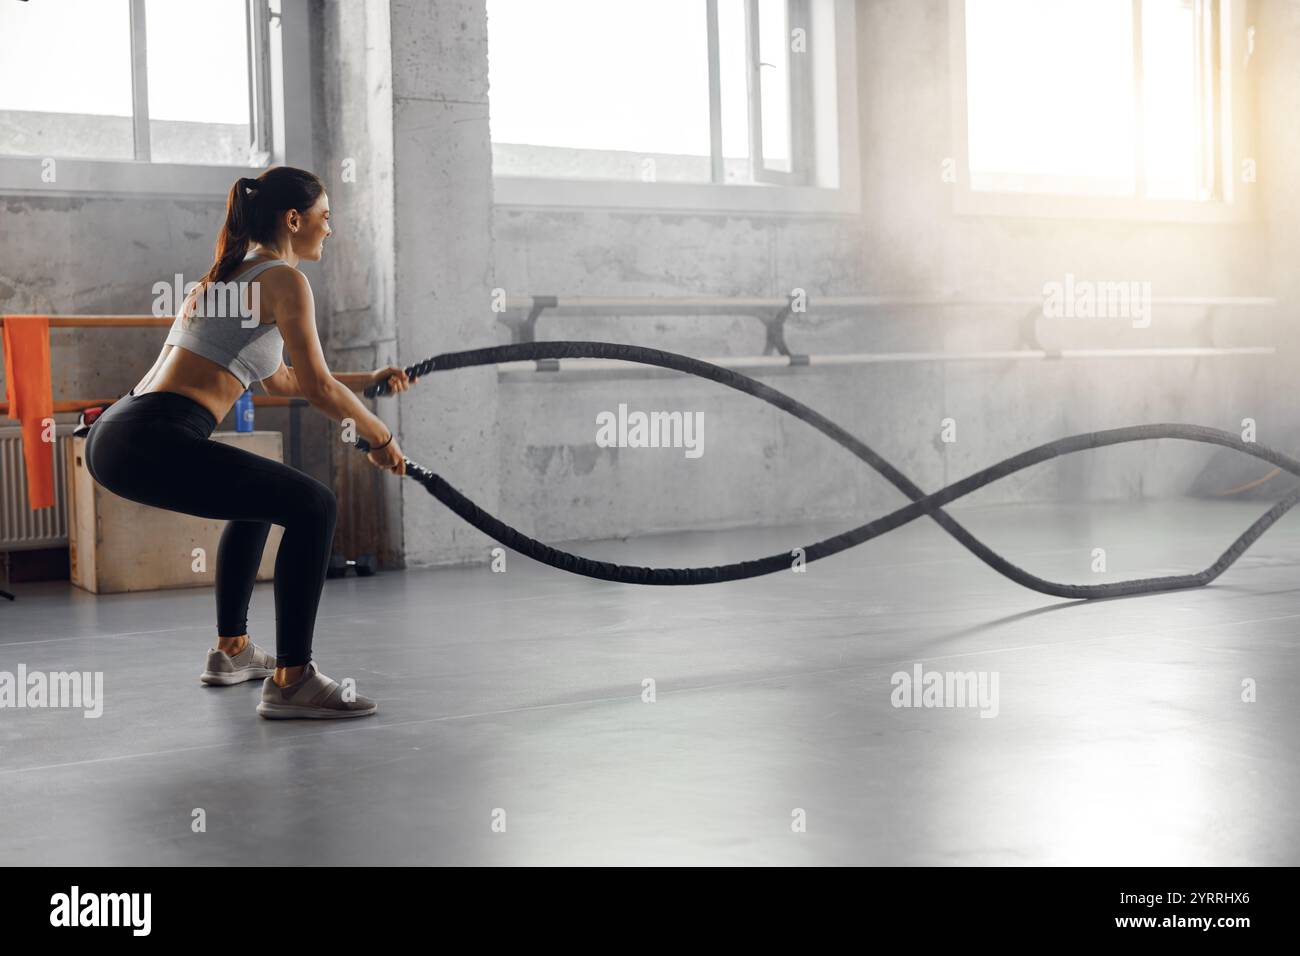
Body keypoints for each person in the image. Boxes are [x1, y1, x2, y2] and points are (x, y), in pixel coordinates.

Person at [84, 166, 409, 719]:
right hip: (154, 434)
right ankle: (293, 680)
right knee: (314, 505)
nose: (329, 230)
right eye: (324, 218)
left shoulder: (229, 275)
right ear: (294, 219)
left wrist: (368, 383)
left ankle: (232, 650)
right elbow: (316, 387)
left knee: (262, 496)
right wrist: (378, 436)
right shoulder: (285, 280)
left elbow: (281, 379)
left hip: (118, 432)